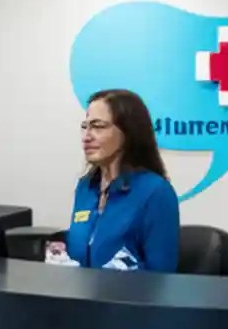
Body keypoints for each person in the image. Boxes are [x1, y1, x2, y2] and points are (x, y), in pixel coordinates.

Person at [64, 88, 180, 272]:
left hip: (129, 299)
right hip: (82, 298)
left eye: (98, 127)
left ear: (128, 132)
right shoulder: (86, 186)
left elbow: (162, 278)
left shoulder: (155, 192)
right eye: (85, 127)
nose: (87, 137)